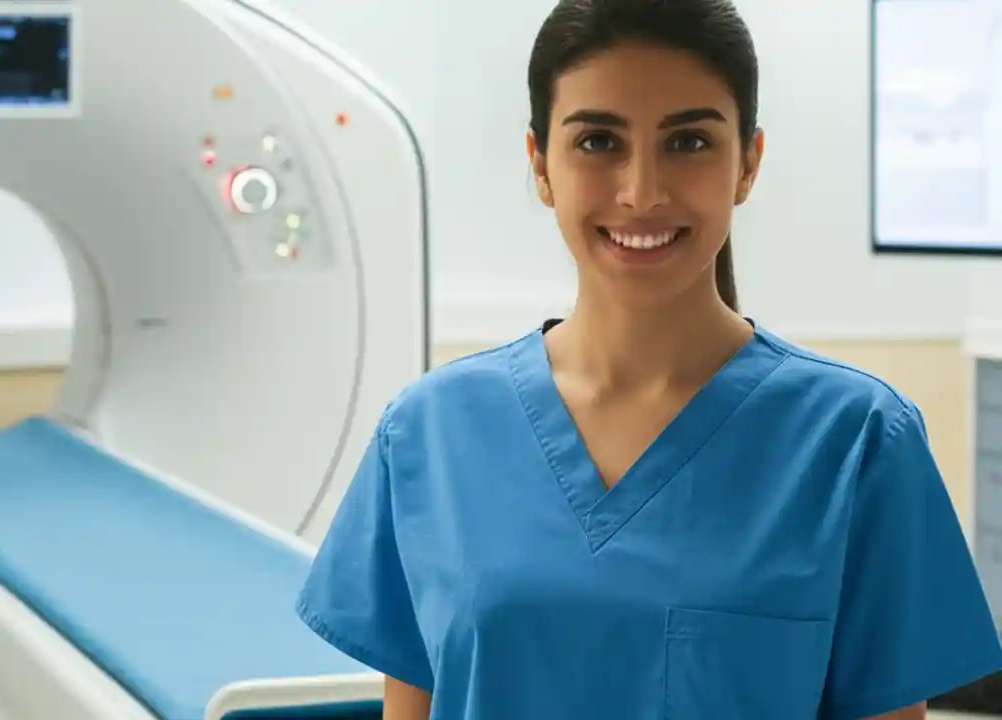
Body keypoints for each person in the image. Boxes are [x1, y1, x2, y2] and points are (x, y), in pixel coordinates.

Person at [294, 0, 1002, 717]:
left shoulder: (856, 442)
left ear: (747, 164)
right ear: (540, 165)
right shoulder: (429, 436)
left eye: (689, 142)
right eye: (599, 141)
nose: (642, 193)